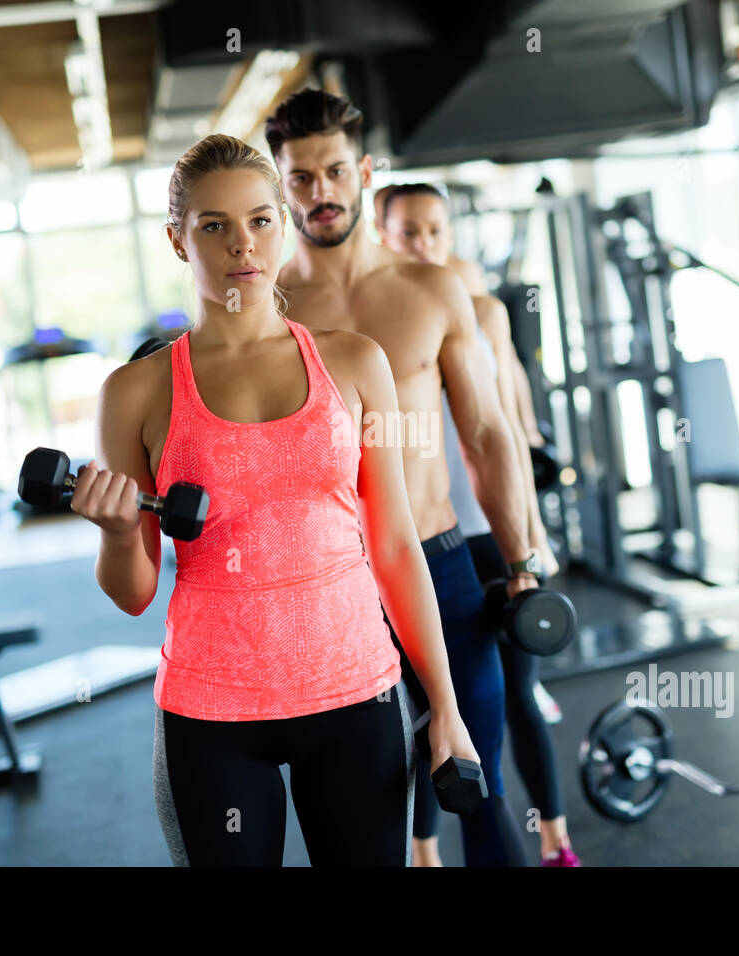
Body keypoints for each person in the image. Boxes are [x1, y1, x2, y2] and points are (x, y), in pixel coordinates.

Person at [75, 133, 479, 866]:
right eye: (214, 226)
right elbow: (134, 592)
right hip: (212, 711)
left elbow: (392, 546)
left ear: (285, 229)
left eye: (262, 220)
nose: (242, 245)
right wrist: (112, 533)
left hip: (355, 691)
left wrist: (444, 709)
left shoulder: (356, 362)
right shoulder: (134, 392)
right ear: (177, 239)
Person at [267, 88, 538, 867]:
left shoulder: (432, 291)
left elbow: (488, 436)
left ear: (365, 171)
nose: (320, 193)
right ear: (282, 185)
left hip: (443, 565)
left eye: (334, 172)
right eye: (300, 179)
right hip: (337, 586)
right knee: (371, 811)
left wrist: (521, 563)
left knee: (477, 787)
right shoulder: (272, 307)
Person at [380, 182, 580, 867]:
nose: (425, 243)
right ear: (384, 237)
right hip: (433, 543)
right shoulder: (382, 322)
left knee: (513, 694)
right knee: (431, 709)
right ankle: (426, 847)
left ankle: (555, 835)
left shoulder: (485, 312)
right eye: (409, 232)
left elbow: (512, 432)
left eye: (434, 230)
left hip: (493, 537)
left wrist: (533, 543)